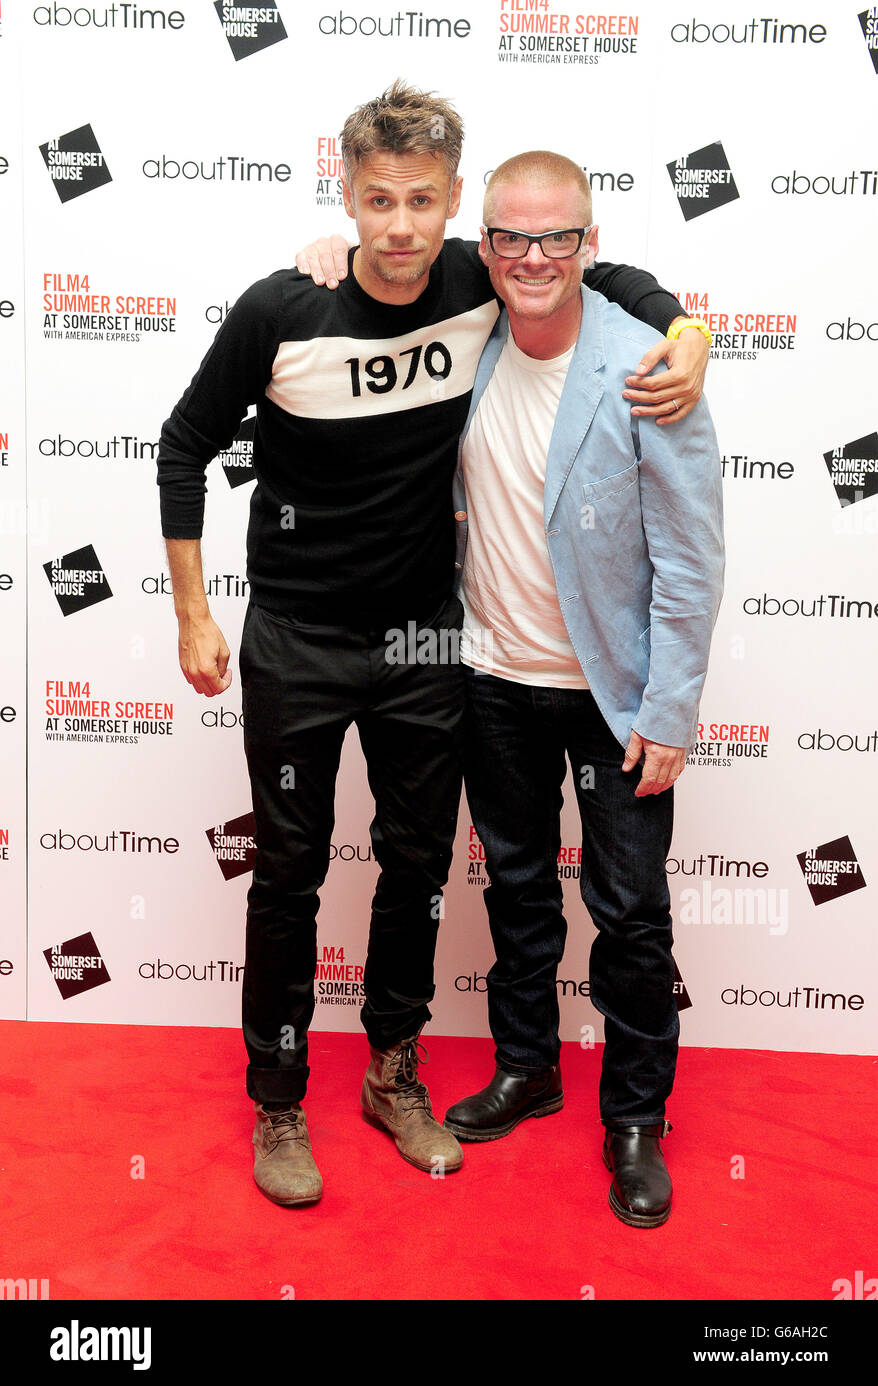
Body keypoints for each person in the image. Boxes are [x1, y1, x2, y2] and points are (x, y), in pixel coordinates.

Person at [157, 80, 710, 1208]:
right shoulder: (282, 308)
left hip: (424, 644)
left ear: (454, 203)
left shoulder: (484, 278)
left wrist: (690, 329)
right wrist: (192, 613)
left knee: (415, 869)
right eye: (377, 201)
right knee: (290, 875)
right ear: (347, 196)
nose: (400, 226)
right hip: (298, 640)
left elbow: (601, 273)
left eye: (421, 201)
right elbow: (181, 447)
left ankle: (393, 1072)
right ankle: (278, 1100)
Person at [438, 151, 724, 1228]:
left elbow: (690, 559)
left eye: (555, 236)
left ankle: (636, 1120)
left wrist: (670, 710)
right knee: (516, 892)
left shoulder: (646, 363)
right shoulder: (465, 342)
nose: (532, 257)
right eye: (510, 236)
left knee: (630, 917)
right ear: (483, 245)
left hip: (617, 700)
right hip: (492, 681)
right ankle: (528, 1068)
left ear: (588, 243)